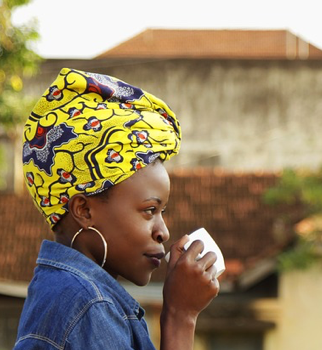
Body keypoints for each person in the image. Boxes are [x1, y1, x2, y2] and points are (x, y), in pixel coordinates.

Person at [15, 68, 219, 349]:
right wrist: (180, 316)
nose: (163, 232)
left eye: (163, 212)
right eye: (149, 210)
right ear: (84, 211)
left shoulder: (72, 294)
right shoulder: (86, 306)